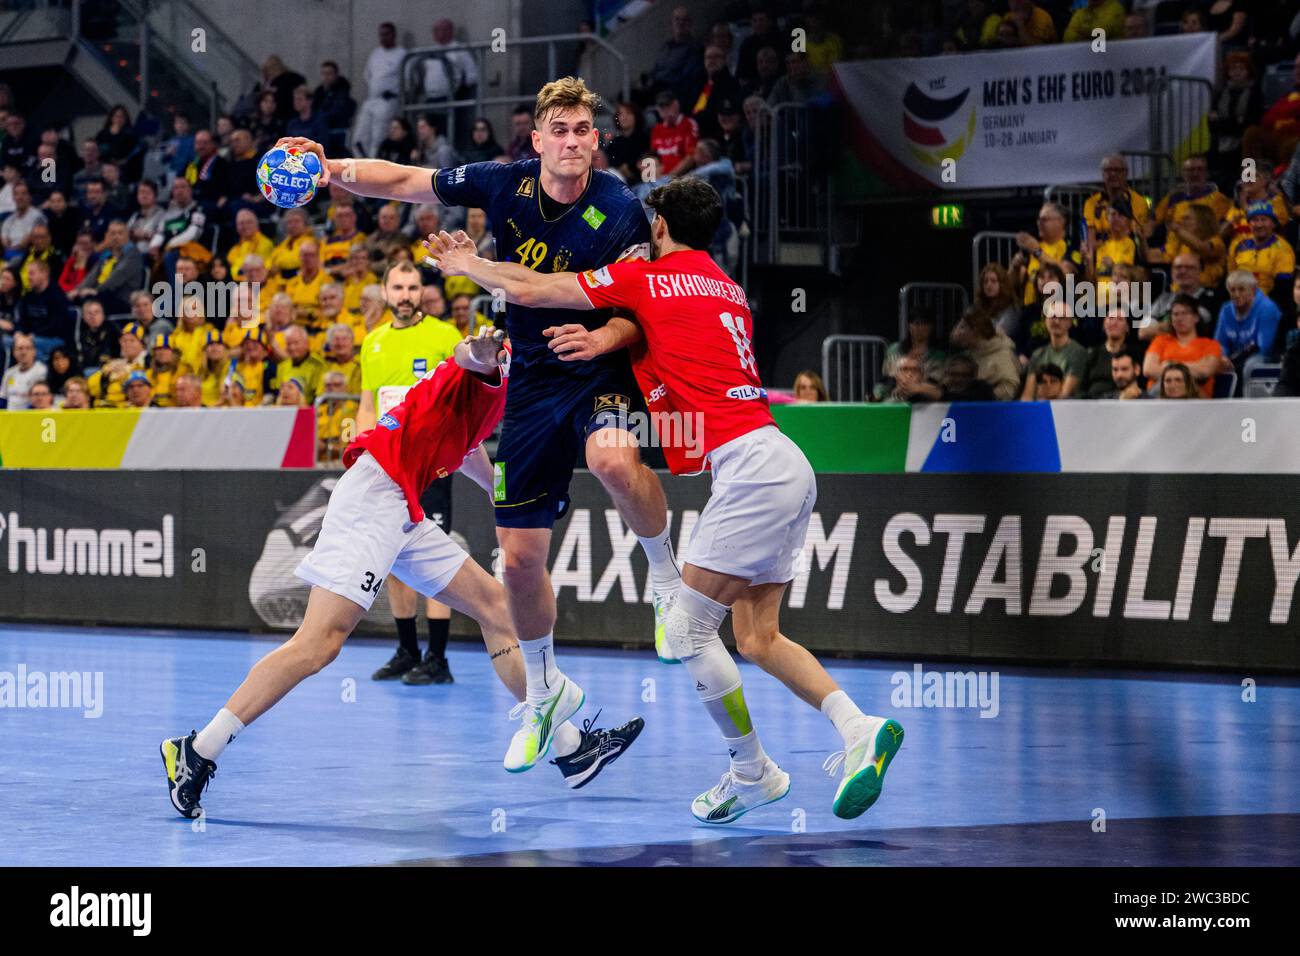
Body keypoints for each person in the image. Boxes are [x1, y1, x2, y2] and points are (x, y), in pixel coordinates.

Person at [425, 176, 904, 824]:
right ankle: (845, 732)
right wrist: (602, 341)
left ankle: (759, 767)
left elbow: (536, 290)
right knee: (758, 638)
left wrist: (466, 263)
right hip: (787, 461)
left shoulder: (647, 280)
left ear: (657, 229)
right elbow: (655, 333)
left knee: (684, 630)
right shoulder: (729, 289)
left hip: (749, 472)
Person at [281, 77, 682, 716]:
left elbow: (643, 312)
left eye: (584, 131)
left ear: (597, 140)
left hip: (596, 364)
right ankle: (545, 700)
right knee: (518, 563)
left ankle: (666, 580)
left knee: (610, 460)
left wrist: (604, 338)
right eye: (561, 130)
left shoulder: (622, 207)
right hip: (529, 379)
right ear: (539, 140)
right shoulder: (503, 183)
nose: (572, 142)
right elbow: (405, 181)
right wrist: (332, 169)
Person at [161, 328, 644, 818]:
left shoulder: (493, 400)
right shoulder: (489, 370)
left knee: (499, 607)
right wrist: (482, 347)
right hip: (374, 498)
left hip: (403, 504)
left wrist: (499, 493)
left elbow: (467, 448)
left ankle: (569, 748)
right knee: (318, 644)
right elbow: (469, 355)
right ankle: (199, 749)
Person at [1144, 294, 1228, 398]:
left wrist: (1170, 365)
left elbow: (1205, 371)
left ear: (1196, 317)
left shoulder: (1210, 345)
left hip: (1196, 397)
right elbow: (1148, 369)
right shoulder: (1160, 341)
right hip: (1159, 396)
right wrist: (1194, 367)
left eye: (1185, 313)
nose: (1179, 318)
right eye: (1175, 314)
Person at [353, 23, 407, 159]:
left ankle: (374, 165)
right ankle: (361, 164)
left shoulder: (401, 54)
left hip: (388, 100)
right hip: (372, 99)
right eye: (381, 34)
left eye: (386, 34)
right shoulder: (376, 53)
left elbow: (408, 80)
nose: (383, 37)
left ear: (393, 35)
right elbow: (367, 76)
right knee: (359, 137)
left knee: (378, 137)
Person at [1, 333, 47, 409]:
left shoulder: (41, 371)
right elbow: (3, 398)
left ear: (34, 351)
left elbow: (40, 400)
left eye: (28, 348)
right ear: (14, 352)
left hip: (30, 416)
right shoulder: (9, 373)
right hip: (10, 417)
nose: (23, 352)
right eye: (20, 348)